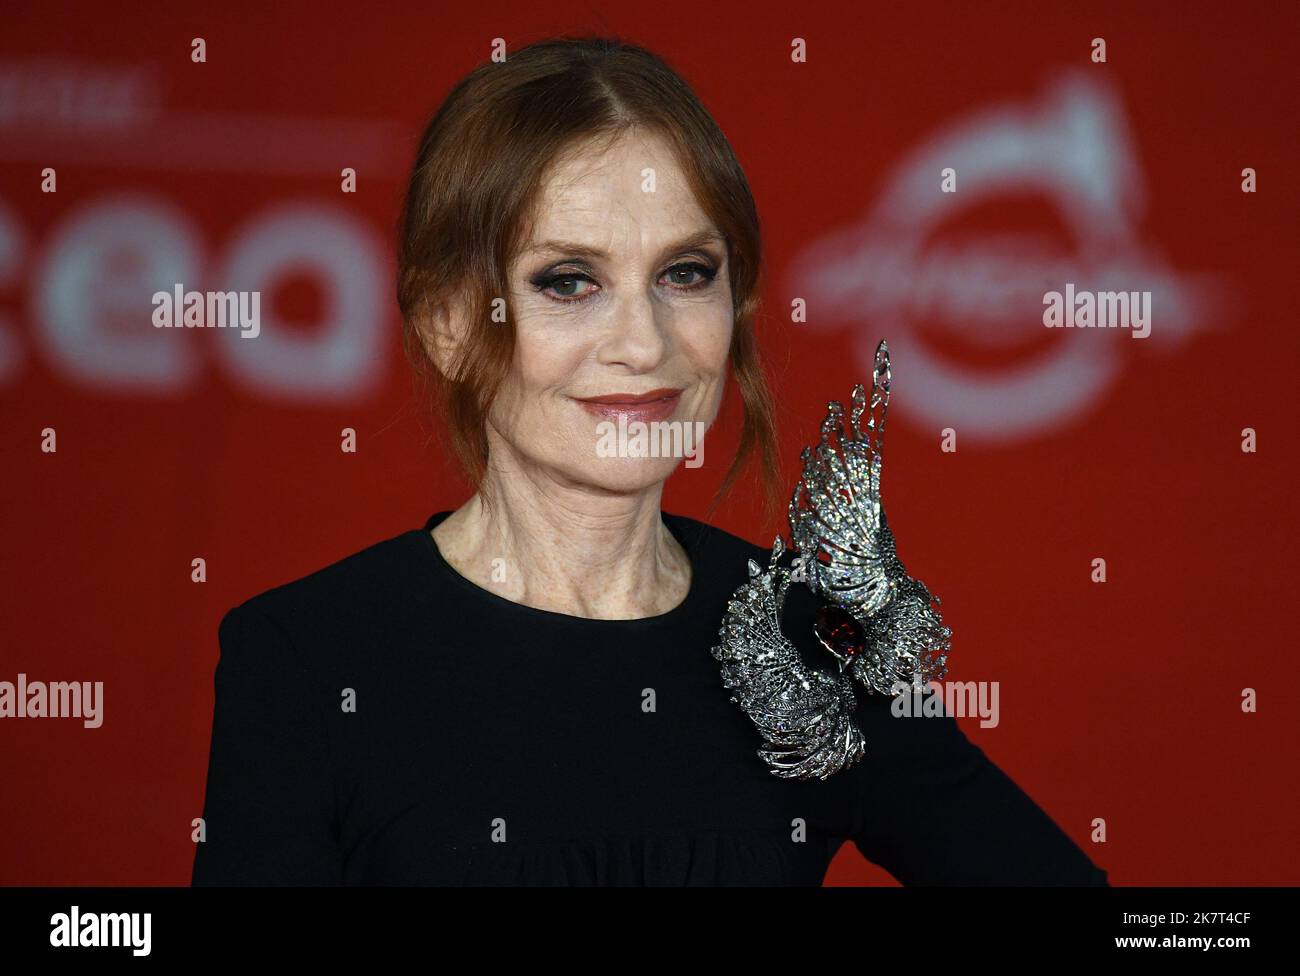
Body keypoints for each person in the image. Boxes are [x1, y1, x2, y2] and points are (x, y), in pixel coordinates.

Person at [192, 35, 1108, 886]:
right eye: (569, 282)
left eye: (685, 273)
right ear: (449, 322)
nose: (644, 342)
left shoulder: (809, 638)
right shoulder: (309, 658)